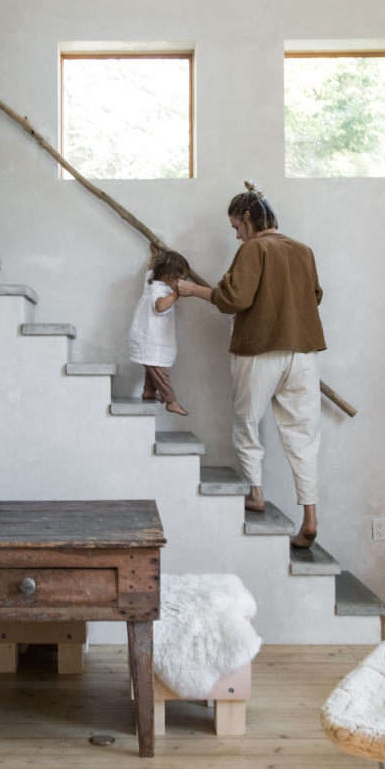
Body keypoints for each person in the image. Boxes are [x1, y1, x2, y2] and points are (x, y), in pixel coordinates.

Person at [174, 185, 326, 547]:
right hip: (303, 354)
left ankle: (256, 493)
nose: (236, 234)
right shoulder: (303, 251)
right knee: (303, 436)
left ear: (246, 218)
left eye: (235, 227)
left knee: (246, 423)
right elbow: (315, 296)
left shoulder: (253, 249)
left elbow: (233, 299)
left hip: (259, 352)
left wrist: (194, 290)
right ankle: (310, 518)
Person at [126, 249, 192, 416]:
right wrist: (177, 293)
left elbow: (150, 268)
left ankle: (148, 391)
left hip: (145, 338)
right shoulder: (160, 290)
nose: (181, 282)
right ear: (167, 276)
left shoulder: (150, 281)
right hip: (151, 339)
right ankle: (171, 401)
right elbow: (160, 306)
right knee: (160, 373)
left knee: (152, 367)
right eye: (179, 279)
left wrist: (154, 256)